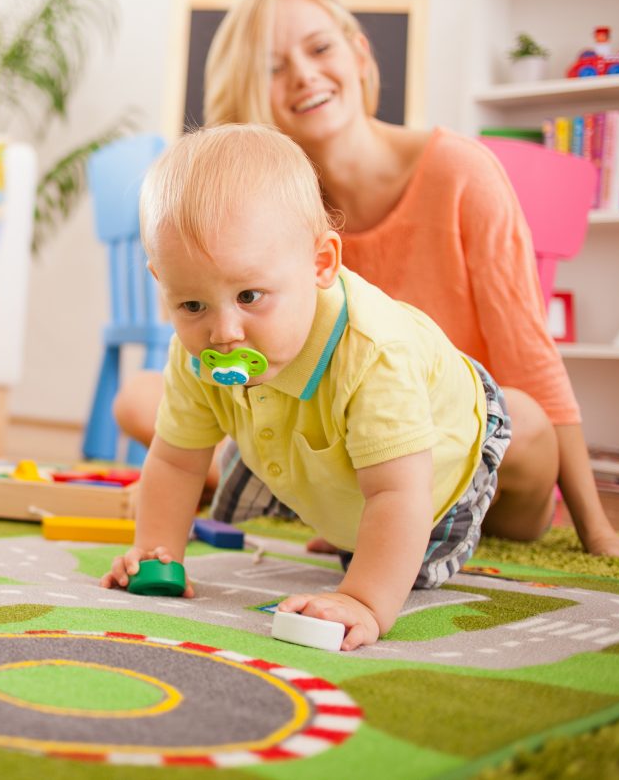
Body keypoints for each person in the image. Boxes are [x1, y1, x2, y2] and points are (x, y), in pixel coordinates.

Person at [113, 0, 619, 563]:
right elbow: (207, 366)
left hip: (453, 437)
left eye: (318, 48)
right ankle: (343, 506)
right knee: (143, 396)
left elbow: (532, 363)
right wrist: (161, 529)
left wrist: (598, 532)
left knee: (527, 417)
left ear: (359, 52)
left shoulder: (463, 173)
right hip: (332, 436)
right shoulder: (263, 213)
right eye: (272, 66)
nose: (304, 75)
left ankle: (394, 516)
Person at [99, 123, 514, 650]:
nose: (224, 334)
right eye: (192, 305)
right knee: (350, 524)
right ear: (164, 283)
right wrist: (157, 552)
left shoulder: (373, 354)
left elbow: (399, 491)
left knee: (412, 561)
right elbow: (177, 461)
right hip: (315, 435)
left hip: (444, 456)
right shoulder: (195, 352)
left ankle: (527, 486)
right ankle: (345, 521)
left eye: (249, 295)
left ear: (321, 264)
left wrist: (363, 600)